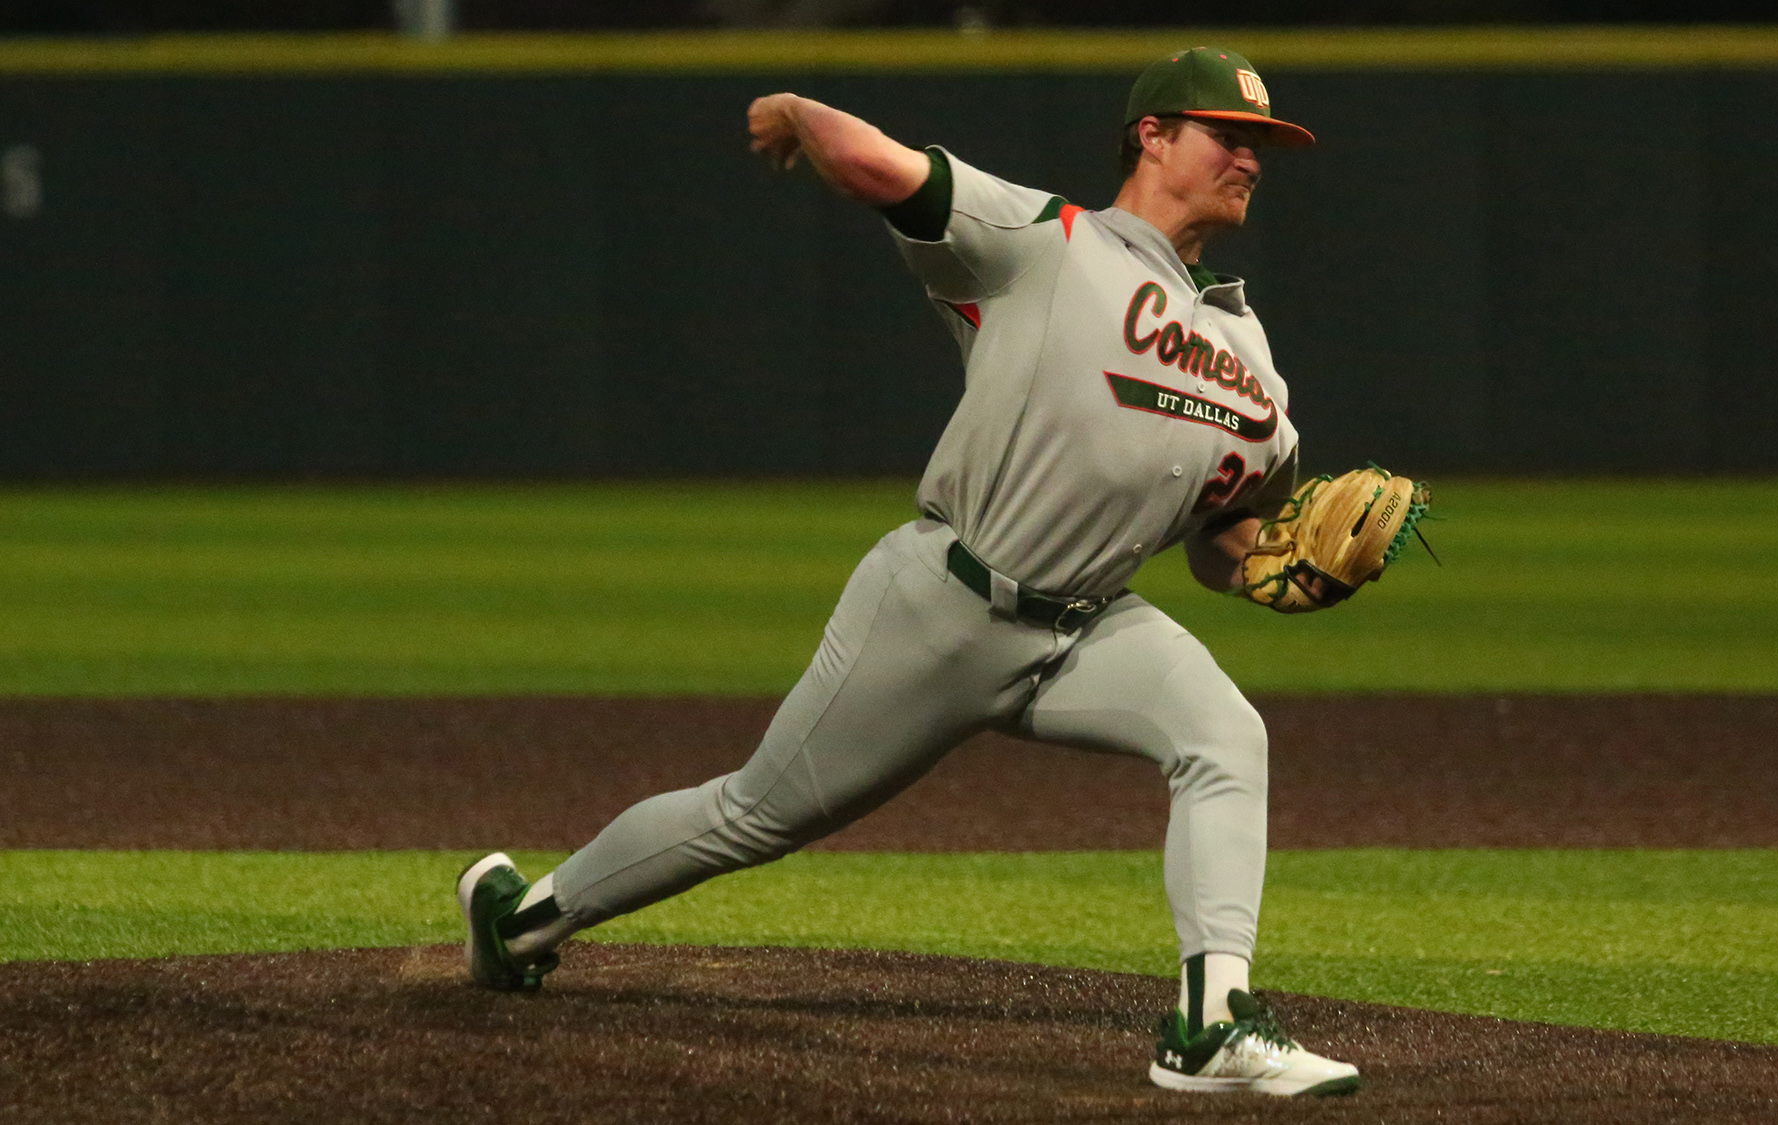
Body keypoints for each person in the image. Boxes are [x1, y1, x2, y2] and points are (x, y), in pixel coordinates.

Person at [458, 45, 1361, 1098]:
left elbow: (1222, 540)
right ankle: (518, 923)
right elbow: (890, 172)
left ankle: (1208, 1027)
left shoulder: (1251, 359)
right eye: (1228, 136)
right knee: (754, 814)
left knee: (1222, 737)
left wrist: (1283, 569)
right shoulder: (1049, 242)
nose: (1249, 160)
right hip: (945, 605)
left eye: (1261, 146)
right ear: (1150, 136)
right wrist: (799, 109)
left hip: (1087, 630)